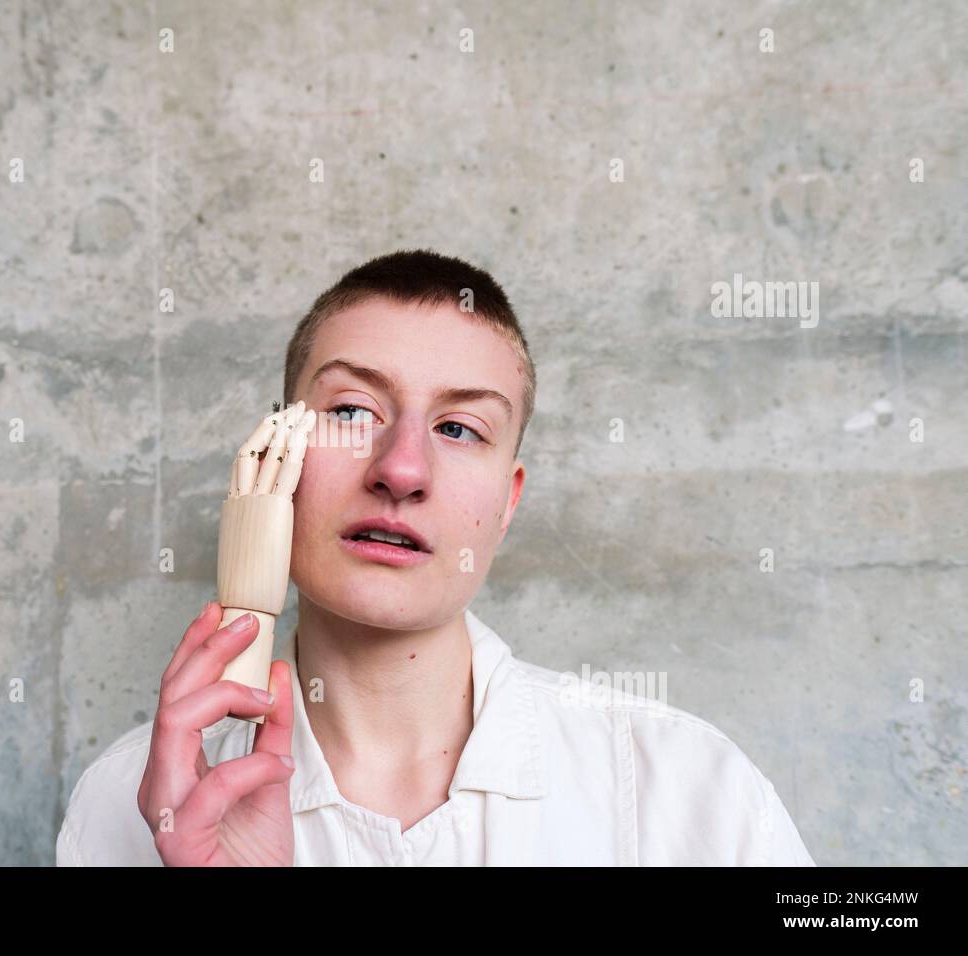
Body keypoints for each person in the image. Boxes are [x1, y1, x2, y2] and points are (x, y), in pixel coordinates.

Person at [56, 249, 816, 866]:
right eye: (352, 412)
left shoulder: (683, 788)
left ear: (507, 502)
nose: (401, 469)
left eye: (459, 429)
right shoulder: (129, 800)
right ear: (274, 456)